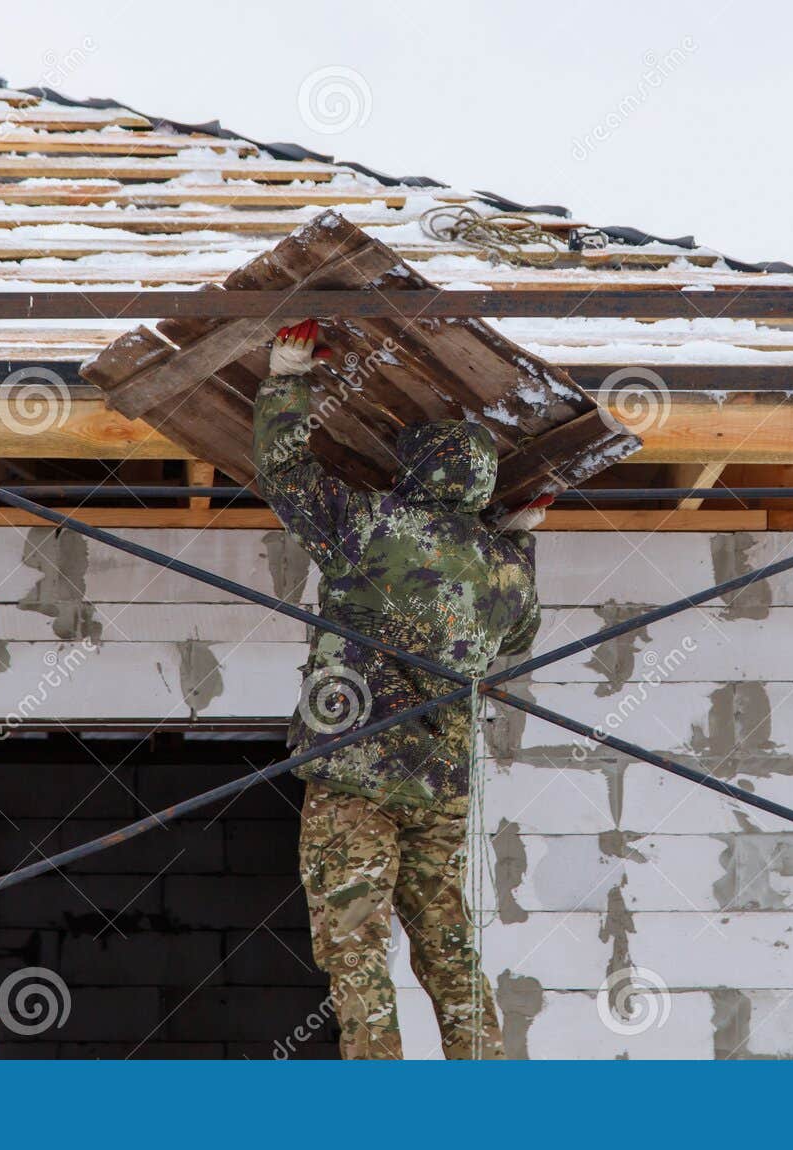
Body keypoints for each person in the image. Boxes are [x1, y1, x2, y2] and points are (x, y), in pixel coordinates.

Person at [252, 320, 546, 1060]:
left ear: (414, 470)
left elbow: (284, 474)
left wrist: (288, 377)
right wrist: (514, 543)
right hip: (440, 787)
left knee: (356, 948)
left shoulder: (373, 524)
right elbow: (513, 644)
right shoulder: (507, 573)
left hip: (356, 770)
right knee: (449, 952)